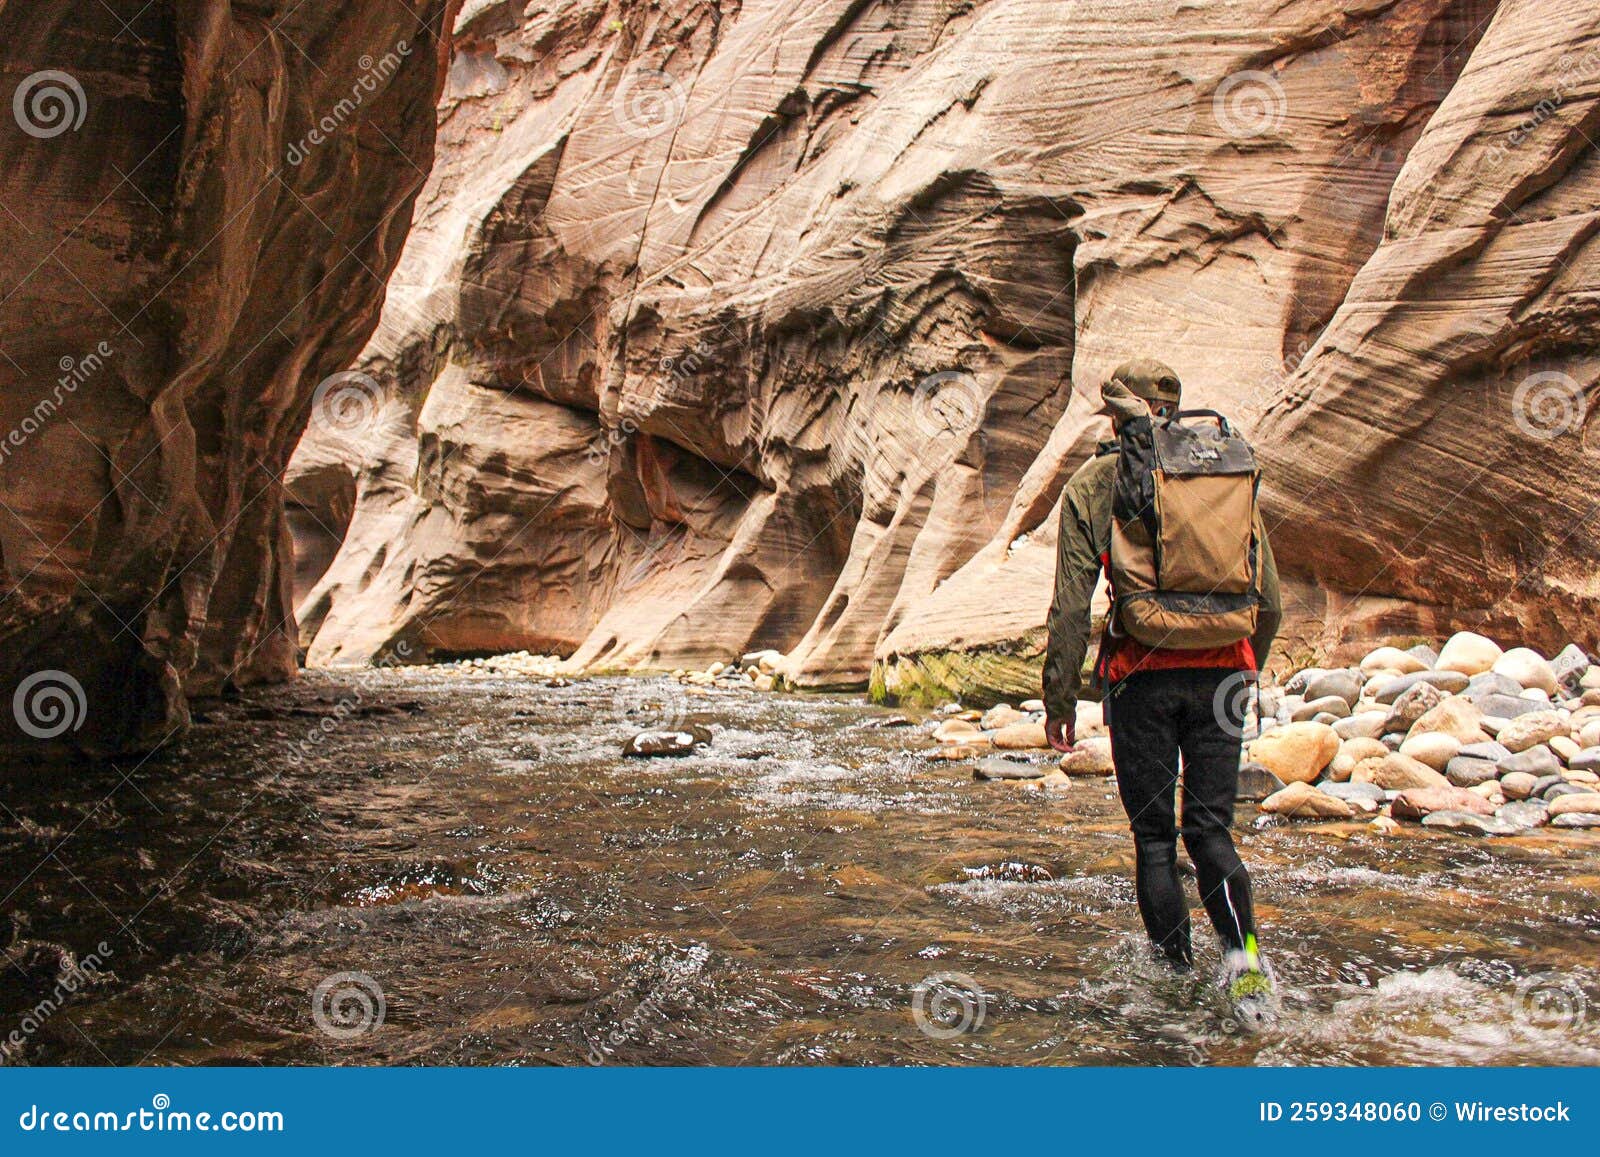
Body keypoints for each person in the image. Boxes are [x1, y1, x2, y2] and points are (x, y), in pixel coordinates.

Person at [1041, 358, 1282, 1006]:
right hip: (1225, 671)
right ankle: (1244, 958)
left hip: (1139, 676)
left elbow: (1070, 604)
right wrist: (1240, 665)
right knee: (1211, 829)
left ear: (1118, 413)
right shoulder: (1224, 470)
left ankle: (1174, 983)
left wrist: (1059, 697)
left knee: (1155, 838)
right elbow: (1272, 599)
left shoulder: (1096, 481)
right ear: (1175, 408)